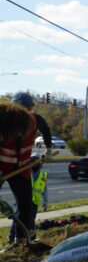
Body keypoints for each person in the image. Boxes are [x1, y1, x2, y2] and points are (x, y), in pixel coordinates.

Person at [0, 99, 38, 245]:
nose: (21, 133)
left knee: (25, 204)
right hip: (2, 168)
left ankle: (20, 241)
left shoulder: (29, 121)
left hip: (20, 170)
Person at [8, 153, 47, 242]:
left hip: (34, 202)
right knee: (18, 220)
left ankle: (29, 238)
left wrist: (45, 201)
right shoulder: (26, 171)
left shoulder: (42, 175)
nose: (34, 162)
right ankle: (12, 237)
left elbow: (44, 188)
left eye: (36, 160)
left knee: (31, 221)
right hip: (23, 200)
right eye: (32, 160)